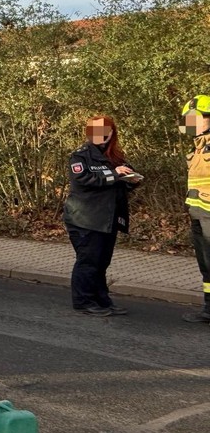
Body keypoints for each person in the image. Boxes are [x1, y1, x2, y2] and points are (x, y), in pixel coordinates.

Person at [63, 115, 141, 316]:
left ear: (111, 132)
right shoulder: (80, 156)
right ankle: (83, 301)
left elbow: (122, 182)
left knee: (101, 263)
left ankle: (102, 299)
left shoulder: (114, 156)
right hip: (85, 219)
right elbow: (84, 179)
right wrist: (115, 175)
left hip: (107, 219)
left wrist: (131, 180)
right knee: (88, 262)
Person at [180, 96, 210, 324]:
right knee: (206, 263)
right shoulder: (199, 147)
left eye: (194, 118)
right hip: (198, 214)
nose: (189, 123)